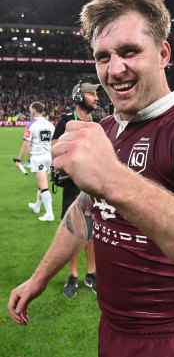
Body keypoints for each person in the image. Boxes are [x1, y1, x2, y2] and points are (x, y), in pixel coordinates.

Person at [8, 0, 174, 357]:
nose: (115, 68)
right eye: (103, 57)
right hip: (114, 327)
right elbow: (88, 210)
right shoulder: (107, 128)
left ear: (163, 53)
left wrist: (115, 179)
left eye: (129, 51)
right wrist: (39, 277)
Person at [52, 82, 99, 297]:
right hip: (72, 185)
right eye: (91, 93)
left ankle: (92, 274)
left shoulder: (98, 122)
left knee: (92, 231)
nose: (96, 97)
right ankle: (72, 276)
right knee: (74, 231)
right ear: (79, 96)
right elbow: (54, 148)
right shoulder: (66, 121)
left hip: (94, 185)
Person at [14, 101, 55, 222]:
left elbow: (26, 144)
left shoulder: (31, 125)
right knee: (41, 183)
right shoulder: (51, 125)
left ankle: (49, 214)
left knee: (43, 186)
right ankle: (37, 206)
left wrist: (19, 160)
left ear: (32, 112)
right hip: (49, 157)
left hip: (38, 158)